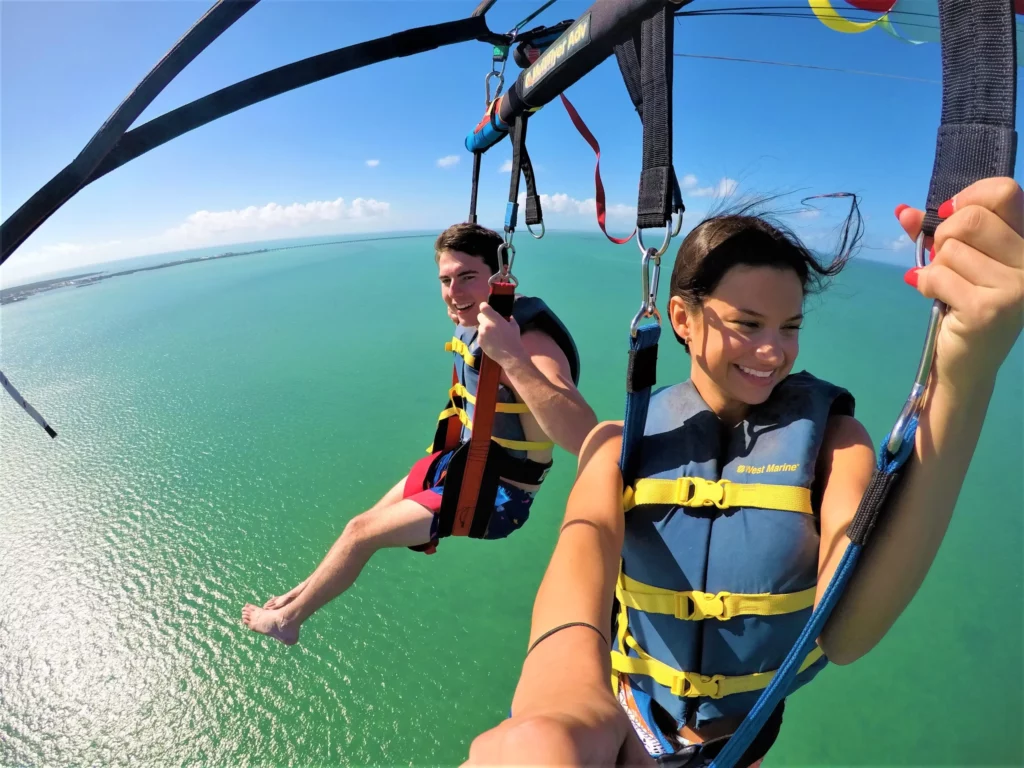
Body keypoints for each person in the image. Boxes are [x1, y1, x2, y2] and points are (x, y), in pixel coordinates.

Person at [463, 177, 1024, 767]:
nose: (773, 351)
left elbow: (847, 631)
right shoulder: (619, 445)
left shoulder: (834, 442)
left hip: (741, 742)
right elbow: (582, 552)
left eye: (790, 328)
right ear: (681, 316)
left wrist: (965, 372)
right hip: (630, 721)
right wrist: (560, 708)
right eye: (748, 323)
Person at [242, 222, 598, 645]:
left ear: (502, 276)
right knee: (360, 525)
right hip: (463, 465)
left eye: (467, 276)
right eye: (446, 280)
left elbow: (582, 434)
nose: (453, 291)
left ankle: (288, 621)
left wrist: (513, 357)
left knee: (361, 534)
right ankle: (300, 596)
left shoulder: (529, 338)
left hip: (497, 495)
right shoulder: (484, 320)